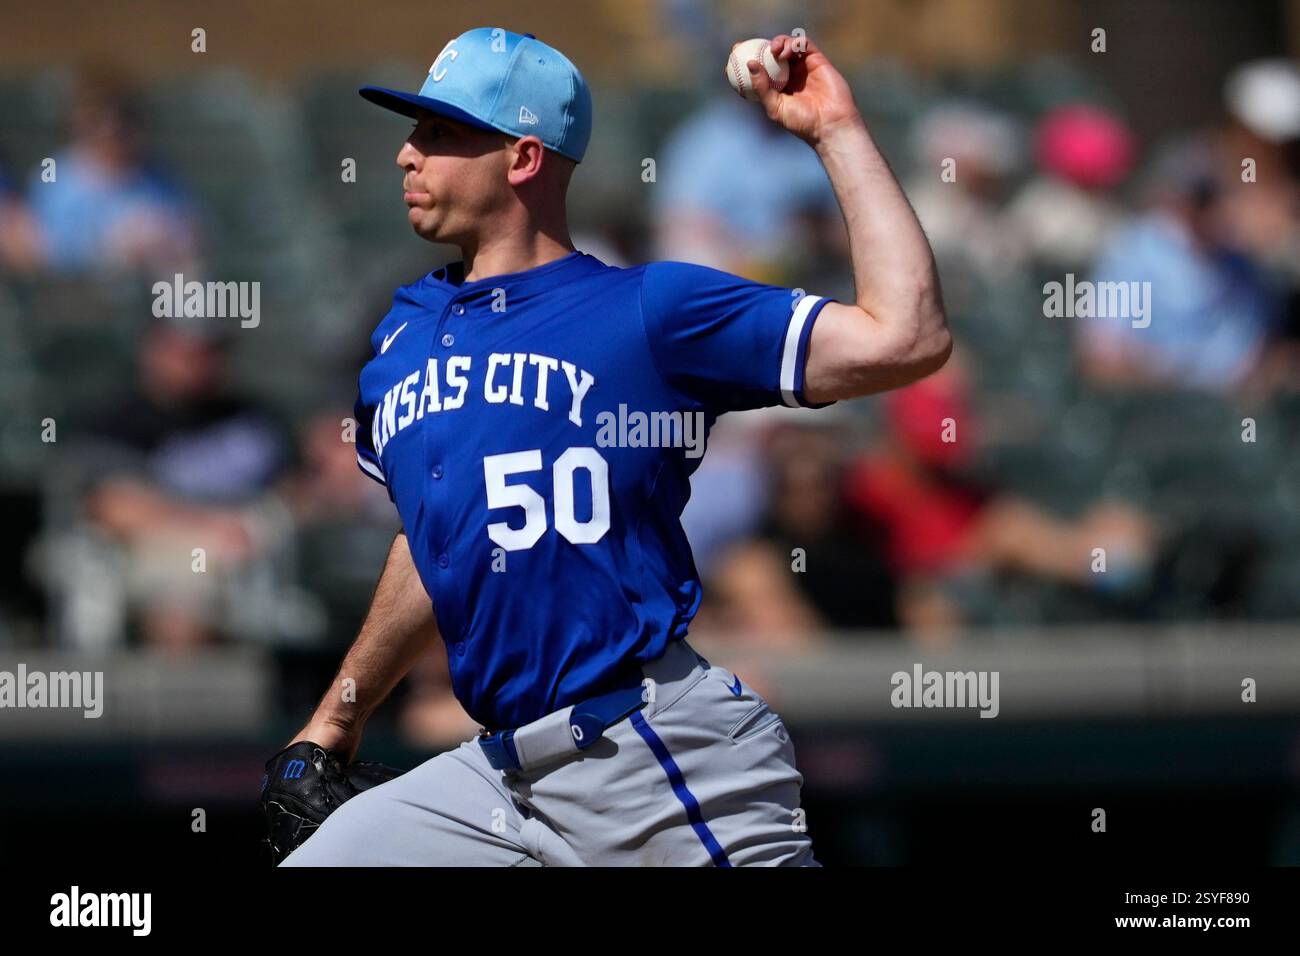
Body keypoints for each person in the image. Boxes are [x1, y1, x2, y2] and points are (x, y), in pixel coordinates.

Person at [275, 27, 949, 867]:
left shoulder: (648, 310)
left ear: (523, 158)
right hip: (499, 781)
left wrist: (834, 131)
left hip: (649, 747)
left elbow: (906, 337)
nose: (408, 156)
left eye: (441, 134)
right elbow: (434, 543)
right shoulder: (400, 341)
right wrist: (338, 716)